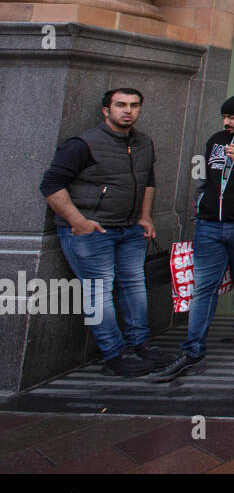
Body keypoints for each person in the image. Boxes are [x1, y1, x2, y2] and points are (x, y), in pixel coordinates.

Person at [154, 95, 234, 382]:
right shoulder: (215, 139)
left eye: (232, 117)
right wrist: (201, 206)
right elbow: (202, 177)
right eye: (224, 116)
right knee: (204, 287)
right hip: (210, 225)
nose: (226, 122)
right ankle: (193, 351)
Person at [40, 88, 165, 378]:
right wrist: (78, 221)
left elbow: (148, 180)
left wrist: (145, 216)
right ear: (105, 111)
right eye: (120, 105)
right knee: (99, 292)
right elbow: (51, 185)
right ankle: (114, 354)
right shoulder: (82, 144)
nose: (128, 111)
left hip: (130, 229)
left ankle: (140, 344)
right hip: (92, 231)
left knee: (134, 285)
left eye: (134, 105)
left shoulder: (144, 142)